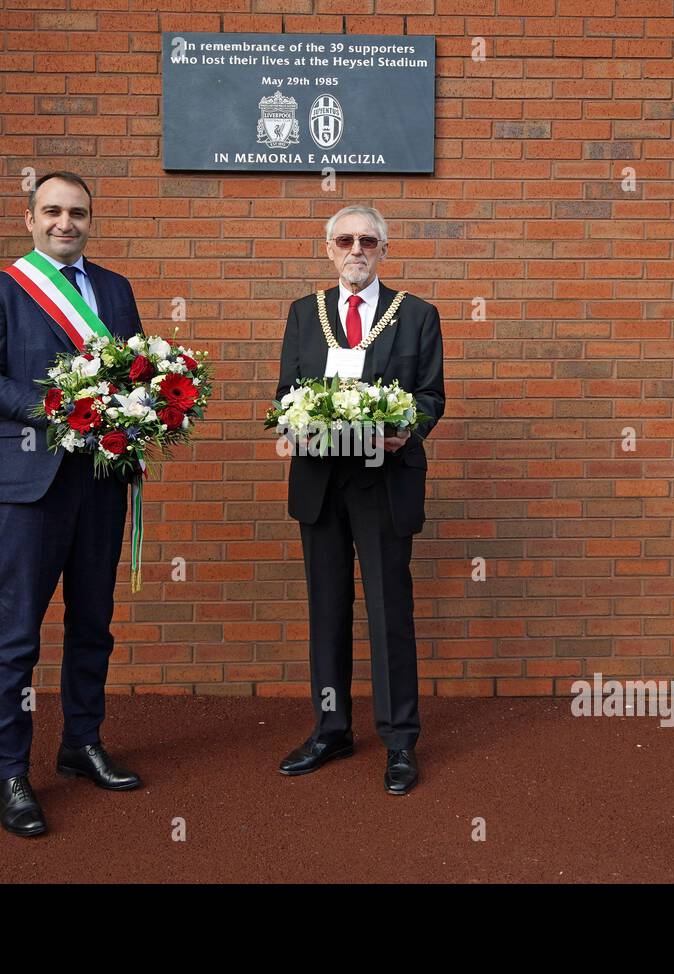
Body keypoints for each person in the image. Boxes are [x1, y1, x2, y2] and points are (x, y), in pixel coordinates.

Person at [0, 171, 144, 837]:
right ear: (31, 218)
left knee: (93, 621)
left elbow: (135, 372)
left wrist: (145, 409)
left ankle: (81, 743)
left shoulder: (116, 289)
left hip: (99, 478)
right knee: (16, 635)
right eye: (53, 211)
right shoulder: (0, 291)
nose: (66, 223)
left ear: (90, 220)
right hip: (28, 485)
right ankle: (11, 770)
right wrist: (55, 409)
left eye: (77, 213)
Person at [274, 204, 445, 794]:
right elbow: (285, 392)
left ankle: (399, 741)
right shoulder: (304, 313)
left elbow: (430, 396)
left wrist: (408, 427)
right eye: (345, 240)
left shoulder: (418, 315)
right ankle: (331, 728)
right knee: (327, 609)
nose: (356, 249)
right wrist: (290, 424)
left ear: (383, 250)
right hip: (321, 481)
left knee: (389, 611)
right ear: (328, 248)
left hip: (384, 479)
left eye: (367, 241)